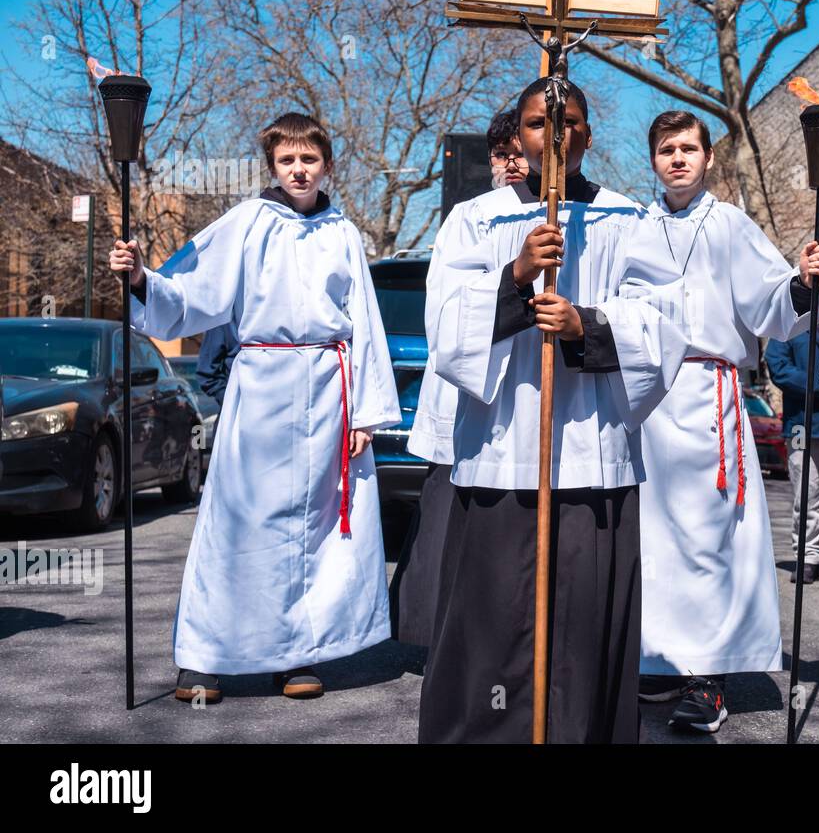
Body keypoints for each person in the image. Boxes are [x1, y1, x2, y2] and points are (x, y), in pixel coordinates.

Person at [417, 79, 689, 743]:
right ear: (521, 138)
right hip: (501, 459)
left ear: (589, 137)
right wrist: (513, 278)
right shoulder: (475, 220)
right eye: (540, 125)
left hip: (593, 466)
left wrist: (584, 326)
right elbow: (445, 328)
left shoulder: (629, 221)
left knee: (581, 634)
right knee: (492, 634)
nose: (556, 137)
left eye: (569, 124)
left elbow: (667, 326)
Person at [108, 112, 401, 703]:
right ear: (272, 166)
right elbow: (193, 293)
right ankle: (204, 659)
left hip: (328, 389)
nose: (298, 170)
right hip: (261, 386)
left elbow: (365, 324)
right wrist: (141, 277)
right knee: (238, 524)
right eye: (287, 160)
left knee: (314, 531)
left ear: (327, 166)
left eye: (309, 160)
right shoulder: (247, 222)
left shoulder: (343, 232)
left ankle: (295, 656)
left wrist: (365, 414)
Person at [627, 110, 819, 734]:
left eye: (689, 148)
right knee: (651, 542)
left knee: (708, 540)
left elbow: (773, 302)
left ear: (708, 157)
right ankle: (658, 660)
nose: (679, 159)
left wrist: (803, 282)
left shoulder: (731, 224)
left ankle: (708, 680)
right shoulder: (632, 228)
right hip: (646, 401)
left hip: (710, 397)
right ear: (654, 159)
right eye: (666, 149)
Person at [391, 108, 530, 649]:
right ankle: (439, 639)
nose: (511, 164)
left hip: (525, 402)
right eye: (501, 154)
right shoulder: (472, 218)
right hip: (463, 399)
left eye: (520, 151)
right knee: (449, 523)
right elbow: (447, 313)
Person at [765, 271, 819, 586]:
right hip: (803, 427)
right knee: (807, 497)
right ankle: (807, 557)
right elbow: (778, 367)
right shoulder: (790, 324)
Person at [487, 110, 528, 189]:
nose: (511, 166)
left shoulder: (555, 201)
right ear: (489, 159)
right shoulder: (480, 201)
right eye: (501, 155)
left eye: (522, 154)